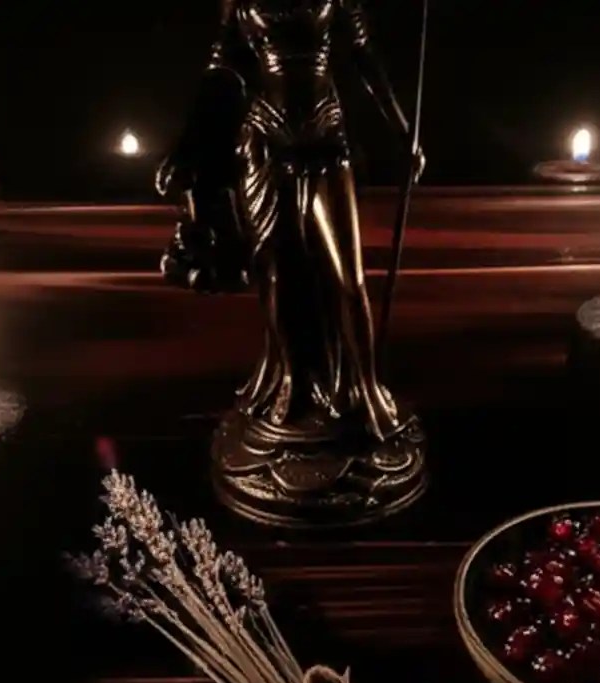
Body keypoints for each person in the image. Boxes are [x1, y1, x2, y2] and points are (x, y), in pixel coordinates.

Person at [158, 0, 422, 443]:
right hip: (266, 142)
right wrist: (186, 145)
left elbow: (361, 53)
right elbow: (222, 69)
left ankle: (364, 390)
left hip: (325, 139)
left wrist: (402, 132)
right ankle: (292, 387)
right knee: (278, 276)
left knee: (348, 279)